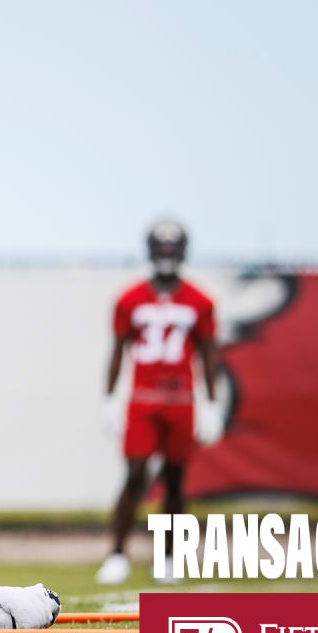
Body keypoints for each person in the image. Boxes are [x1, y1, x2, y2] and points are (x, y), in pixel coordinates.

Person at [96, 219, 221, 585]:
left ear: (182, 252)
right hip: (143, 399)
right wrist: (108, 399)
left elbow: (208, 355)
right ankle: (117, 553)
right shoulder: (130, 299)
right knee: (134, 475)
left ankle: (169, 556)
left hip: (181, 399)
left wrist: (212, 403)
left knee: (175, 480)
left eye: (172, 249)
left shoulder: (200, 301)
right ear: (150, 251)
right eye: (161, 248)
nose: (166, 256)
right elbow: (117, 351)